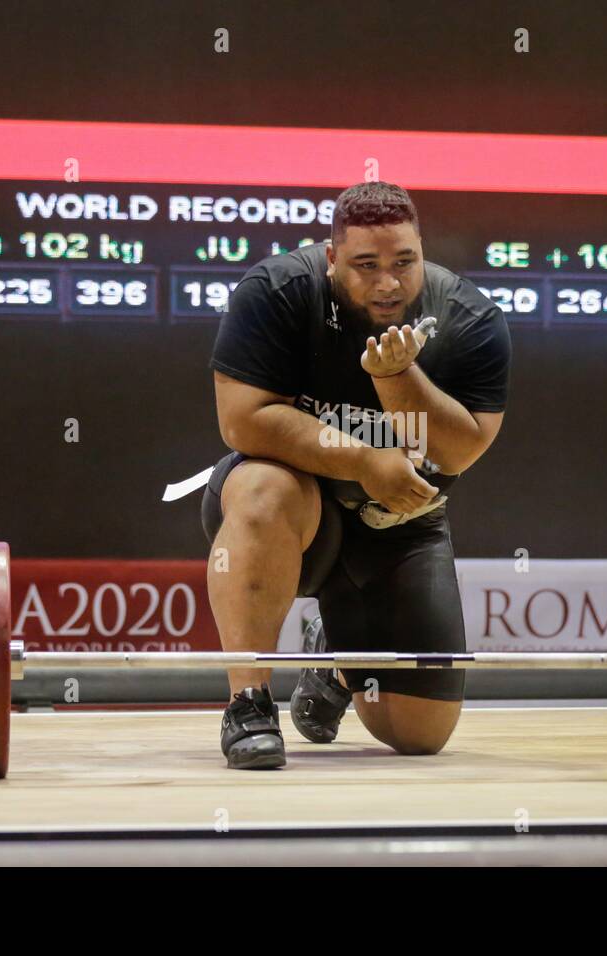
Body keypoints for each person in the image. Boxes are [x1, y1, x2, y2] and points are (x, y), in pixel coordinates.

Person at [201, 181, 510, 769]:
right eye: (366, 265)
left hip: (399, 524)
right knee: (263, 485)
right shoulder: (277, 291)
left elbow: (462, 450)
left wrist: (396, 377)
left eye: (403, 262)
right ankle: (248, 701)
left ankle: (337, 659)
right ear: (332, 258)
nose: (388, 282)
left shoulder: (470, 317)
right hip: (295, 506)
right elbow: (242, 422)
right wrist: (364, 460)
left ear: (423, 250)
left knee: (420, 737)